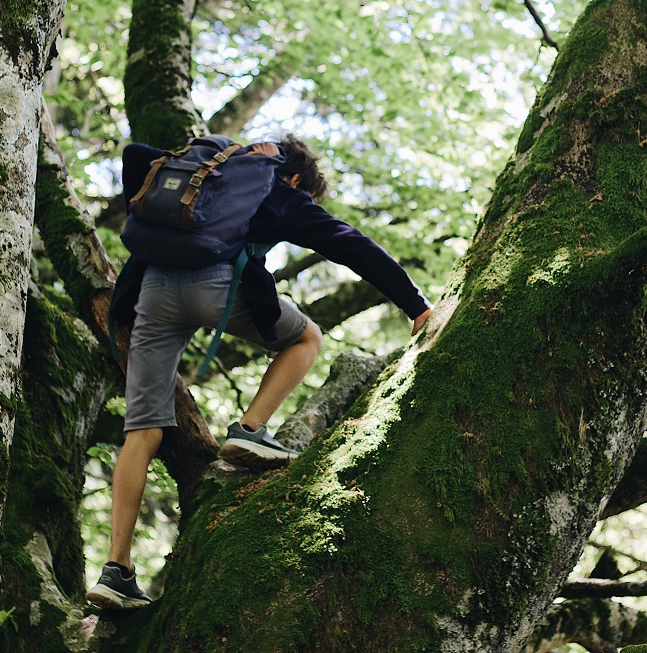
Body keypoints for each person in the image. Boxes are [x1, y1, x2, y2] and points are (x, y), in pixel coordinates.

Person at [85, 134, 432, 610]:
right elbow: (352, 245)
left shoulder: (211, 171)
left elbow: (135, 157)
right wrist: (416, 307)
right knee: (306, 337)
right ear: (295, 179)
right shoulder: (282, 190)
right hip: (214, 285)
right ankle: (249, 429)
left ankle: (115, 570)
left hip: (153, 292)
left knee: (141, 432)